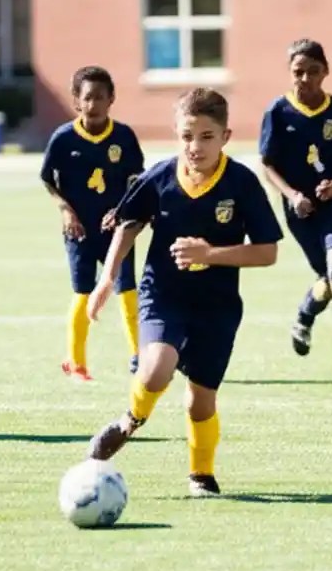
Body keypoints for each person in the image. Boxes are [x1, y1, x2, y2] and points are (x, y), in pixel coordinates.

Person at [84, 88, 282, 497]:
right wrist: (108, 277)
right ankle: (129, 422)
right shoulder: (160, 176)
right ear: (177, 133)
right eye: (187, 136)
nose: (195, 146)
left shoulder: (242, 183)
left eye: (207, 137)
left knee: (200, 401)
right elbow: (130, 223)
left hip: (218, 308)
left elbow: (267, 253)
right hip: (163, 295)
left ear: (225, 137)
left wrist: (209, 254)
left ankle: (201, 474)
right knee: (155, 368)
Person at [259, 39, 332, 392]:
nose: (304, 79)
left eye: (312, 72)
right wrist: (292, 196)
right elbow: (267, 165)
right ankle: (305, 313)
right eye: (297, 72)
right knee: (327, 277)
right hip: (300, 212)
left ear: (326, 72)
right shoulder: (278, 112)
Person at [40, 66, 145, 380]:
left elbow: (136, 179)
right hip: (80, 231)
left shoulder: (123, 136)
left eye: (101, 97)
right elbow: (48, 179)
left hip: (117, 230)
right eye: (88, 97)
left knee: (128, 291)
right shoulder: (63, 139)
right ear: (77, 101)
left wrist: (124, 210)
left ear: (111, 99)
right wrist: (66, 211)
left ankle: (139, 355)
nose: (94, 103)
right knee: (83, 293)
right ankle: (76, 362)